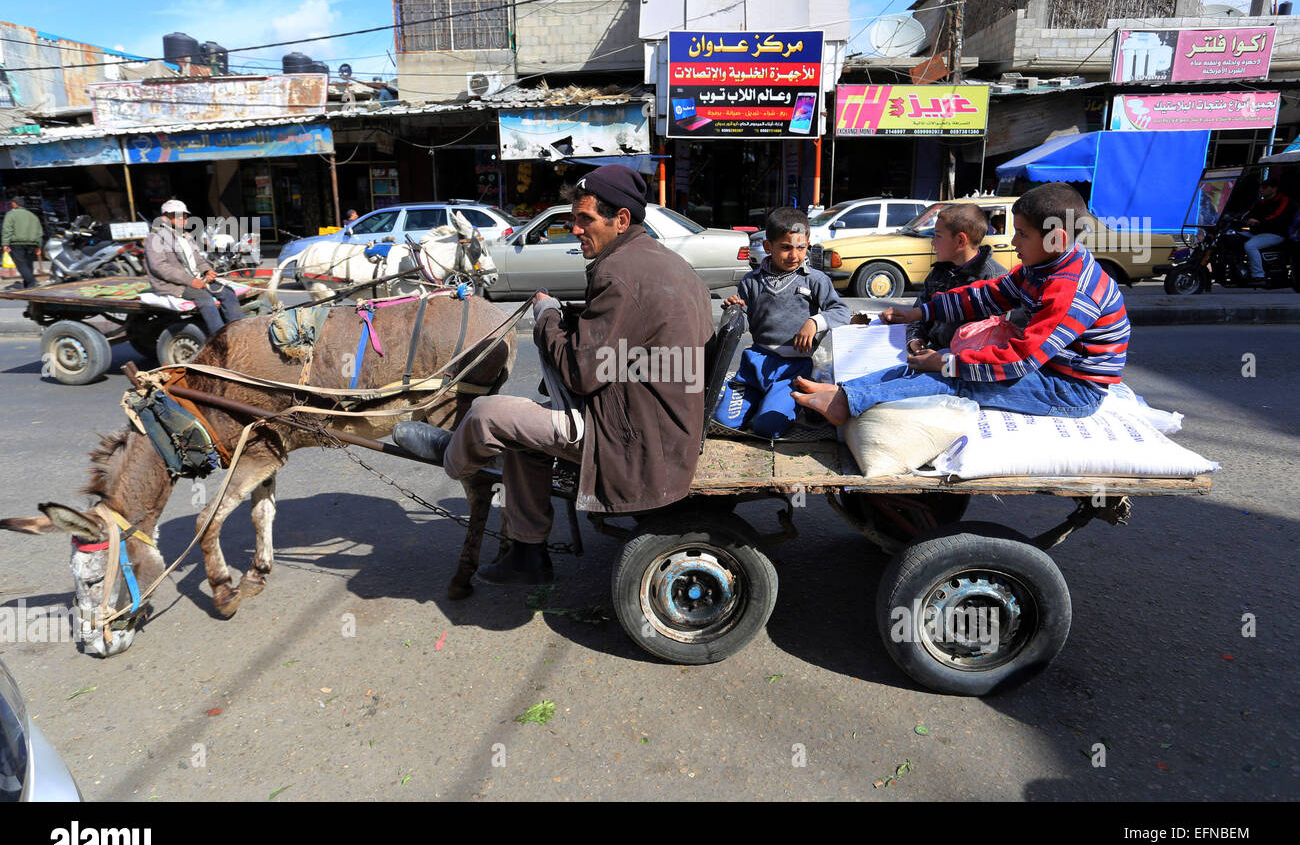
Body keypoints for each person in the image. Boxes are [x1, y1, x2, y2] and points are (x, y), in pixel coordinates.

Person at [392, 167, 714, 585]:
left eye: (585, 220)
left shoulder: (619, 273)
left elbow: (580, 373)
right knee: (523, 440)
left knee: (487, 414)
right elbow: (624, 333)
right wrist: (569, 316)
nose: (575, 229)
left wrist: (546, 317)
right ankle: (528, 552)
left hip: (630, 433)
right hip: (649, 413)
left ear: (621, 219)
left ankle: (456, 457)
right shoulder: (658, 260)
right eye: (572, 220)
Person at [791, 182, 1129, 425]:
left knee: (959, 375)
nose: (1013, 241)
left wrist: (946, 363)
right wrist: (921, 312)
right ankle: (846, 392)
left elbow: (1019, 360)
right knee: (927, 362)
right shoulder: (1041, 267)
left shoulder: (1071, 291)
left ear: (1057, 239)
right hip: (1047, 368)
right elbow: (986, 296)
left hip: (1070, 389)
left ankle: (846, 402)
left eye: (1022, 234)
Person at [713, 207, 849, 437]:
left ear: (808, 244)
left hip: (794, 371)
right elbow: (744, 320)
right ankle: (760, 397)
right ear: (768, 247)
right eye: (786, 247)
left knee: (767, 428)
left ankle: (792, 402)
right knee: (725, 420)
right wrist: (736, 309)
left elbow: (841, 311)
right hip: (756, 364)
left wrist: (815, 322)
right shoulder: (751, 281)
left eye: (801, 247)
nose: (794, 255)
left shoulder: (816, 280)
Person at [900, 203, 1012, 354]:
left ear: (960, 240)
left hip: (958, 363)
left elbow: (992, 342)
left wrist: (943, 360)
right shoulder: (939, 272)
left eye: (938, 236)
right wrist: (915, 340)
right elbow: (919, 314)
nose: (933, 242)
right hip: (933, 354)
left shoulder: (993, 281)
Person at [143, 199, 245, 337]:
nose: (181, 219)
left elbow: (198, 259)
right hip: (173, 284)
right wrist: (190, 281)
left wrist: (206, 270)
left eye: (184, 216)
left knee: (228, 293)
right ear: (165, 217)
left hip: (197, 279)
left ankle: (240, 332)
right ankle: (220, 339)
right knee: (206, 300)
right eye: (176, 215)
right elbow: (160, 268)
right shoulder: (155, 238)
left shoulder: (186, 236)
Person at [1241, 180, 1292, 287]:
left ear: (1274, 189)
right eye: (1261, 187)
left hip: (1275, 233)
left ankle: (1258, 275)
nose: (1261, 190)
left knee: (1250, 246)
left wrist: (1260, 222)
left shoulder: (1283, 200)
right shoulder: (1261, 202)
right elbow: (1247, 213)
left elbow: (1278, 217)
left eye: (1265, 187)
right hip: (1258, 232)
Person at [2, 197, 43, 290]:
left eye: (12, 203)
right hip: (32, 243)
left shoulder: (11, 214)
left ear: (15, 204)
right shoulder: (33, 216)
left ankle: (32, 281)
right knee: (29, 264)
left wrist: (5, 243)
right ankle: (29, 285)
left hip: (17, 243)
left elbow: (7, 230)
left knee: (21, 264)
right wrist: (39, 245)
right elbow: (39, 232)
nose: (11, 204)